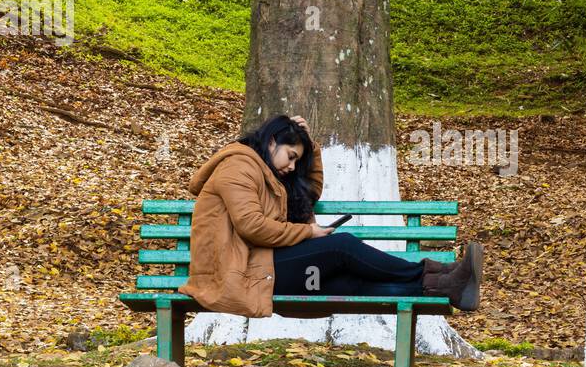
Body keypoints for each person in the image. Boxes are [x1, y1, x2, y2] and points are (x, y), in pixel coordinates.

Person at [178, 113, 482, 318]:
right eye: (291, 156)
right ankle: (432, 271)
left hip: (259, 266)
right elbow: (252, 227)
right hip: (238, 274)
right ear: (271, 142)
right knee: (342, 247)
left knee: (348, 283)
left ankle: (446, 286)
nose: (293, 166)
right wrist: (309, 233)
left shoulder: (267, 172)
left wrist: (311, 146)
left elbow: (308, 191)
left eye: (298, 159)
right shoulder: (238, 167)